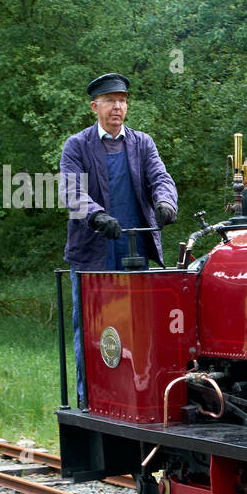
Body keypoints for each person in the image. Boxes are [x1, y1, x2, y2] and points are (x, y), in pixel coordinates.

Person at [60, 72, 178, 405]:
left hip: (135, 250)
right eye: (111, 100)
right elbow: (71, 191)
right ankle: (89, 400)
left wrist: (166, 202)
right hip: (94, 254)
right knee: (92, 329)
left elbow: (160, 177)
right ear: (94, 106)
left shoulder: (142, 143)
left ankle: (137, 398)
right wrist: (96, 215)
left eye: (123, 100)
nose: (118, 107)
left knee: (139, 330)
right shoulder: (77, 146)